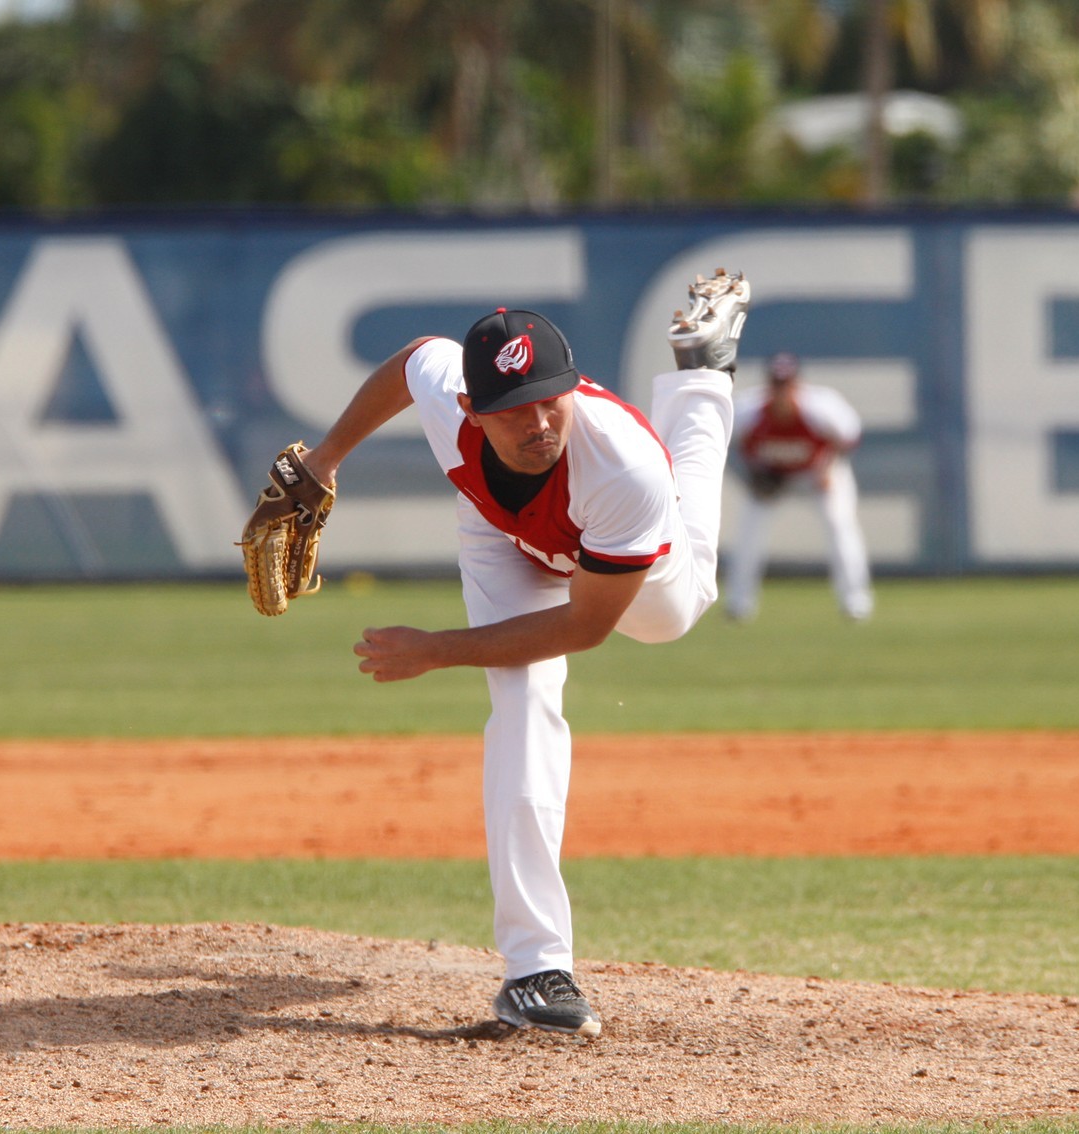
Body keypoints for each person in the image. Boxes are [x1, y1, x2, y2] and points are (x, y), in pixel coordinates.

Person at [298, 270, 750, 1039]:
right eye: (515, 410)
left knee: (678, 605)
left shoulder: (621, 467)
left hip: (614, 541)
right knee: (524, 701)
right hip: (502, 535)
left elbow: (583, 626)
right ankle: (537, 968)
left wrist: (438, 650)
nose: (540, 421)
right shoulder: (452, 398)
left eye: (552, 396)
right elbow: (416, 360)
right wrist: (323, 461)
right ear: (472, 411)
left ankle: (702, 377)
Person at [724, 351, 873, 622]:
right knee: (748, 535)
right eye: (777, 384)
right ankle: (739, 604)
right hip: (771, 478)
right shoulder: (747, 410)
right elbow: (722, 447)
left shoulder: (820, 406)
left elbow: (849, 439)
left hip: (817, 475)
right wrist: (752, 476)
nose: (782, 391)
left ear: (797, 384)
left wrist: (828, 468)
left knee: (841, 526)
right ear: (769, 385)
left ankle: (855, 602)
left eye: (787, 384)